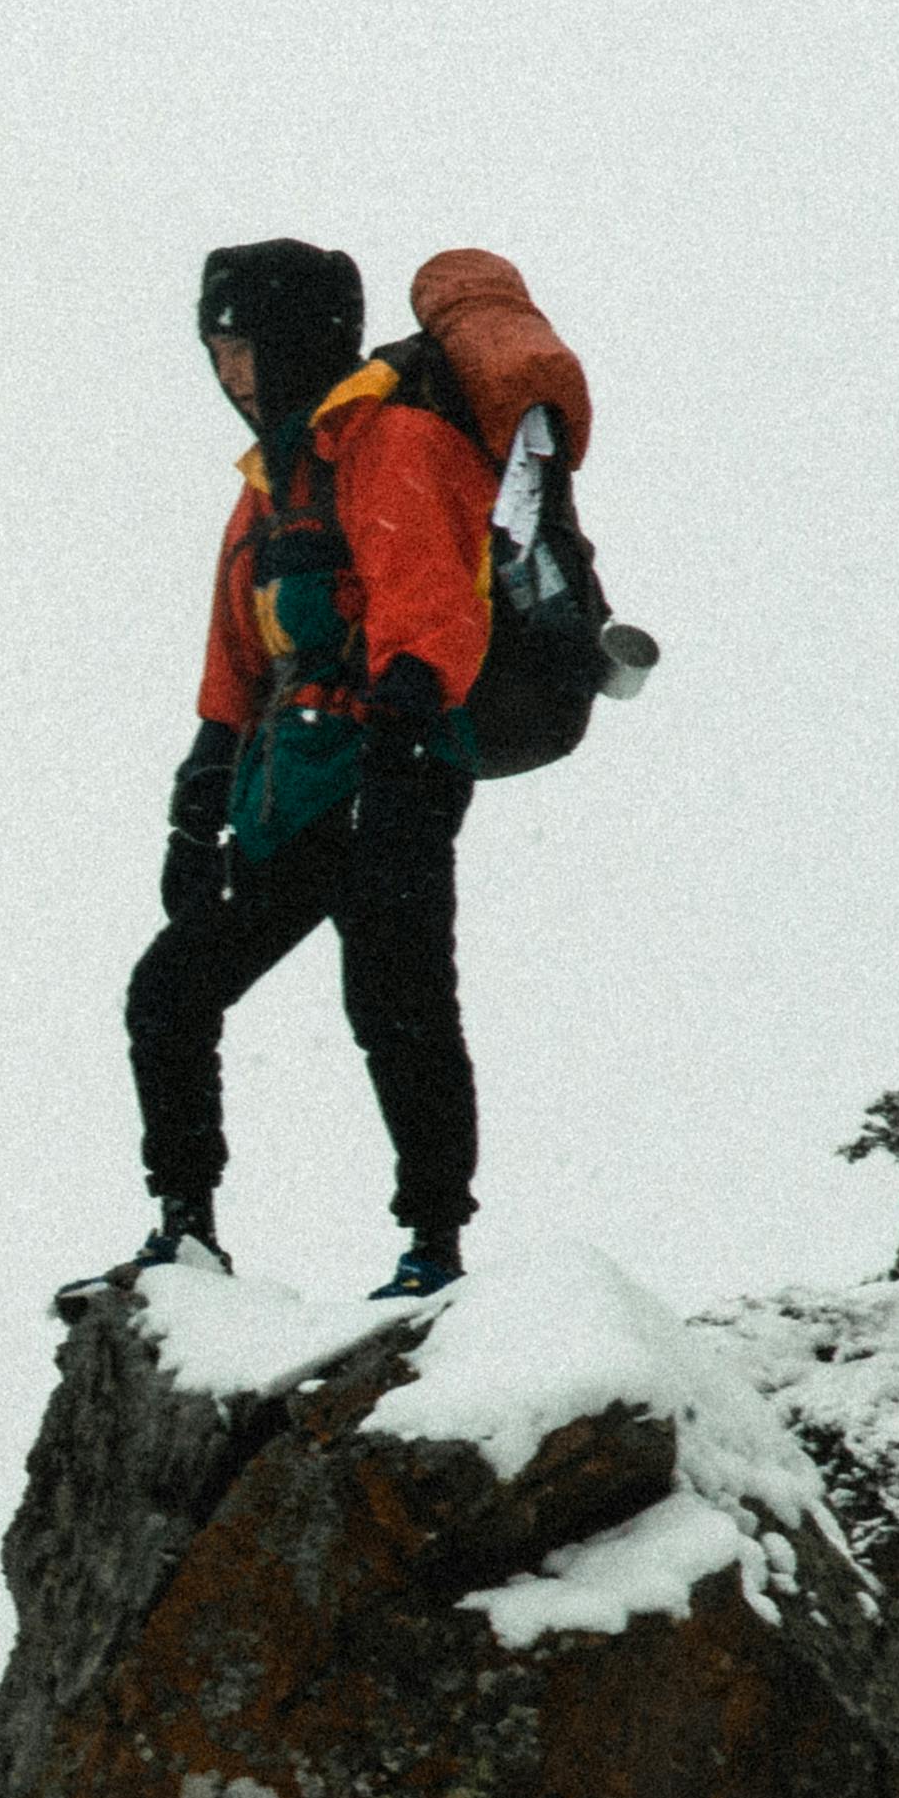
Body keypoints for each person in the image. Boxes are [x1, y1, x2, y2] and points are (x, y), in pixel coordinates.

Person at [85, 238, 591, 1307]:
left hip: (395, 769)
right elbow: (236, 664)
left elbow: (430, 611)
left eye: (239, 348)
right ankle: (185, 1232)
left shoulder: (394, 441)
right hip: (298, 784)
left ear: (291, 339)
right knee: (169, 991)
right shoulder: (269, 486)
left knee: (397, 1000)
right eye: (215, 353)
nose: (227, 374)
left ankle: (433, 1249)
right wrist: (198, 801)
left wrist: (399, 751)